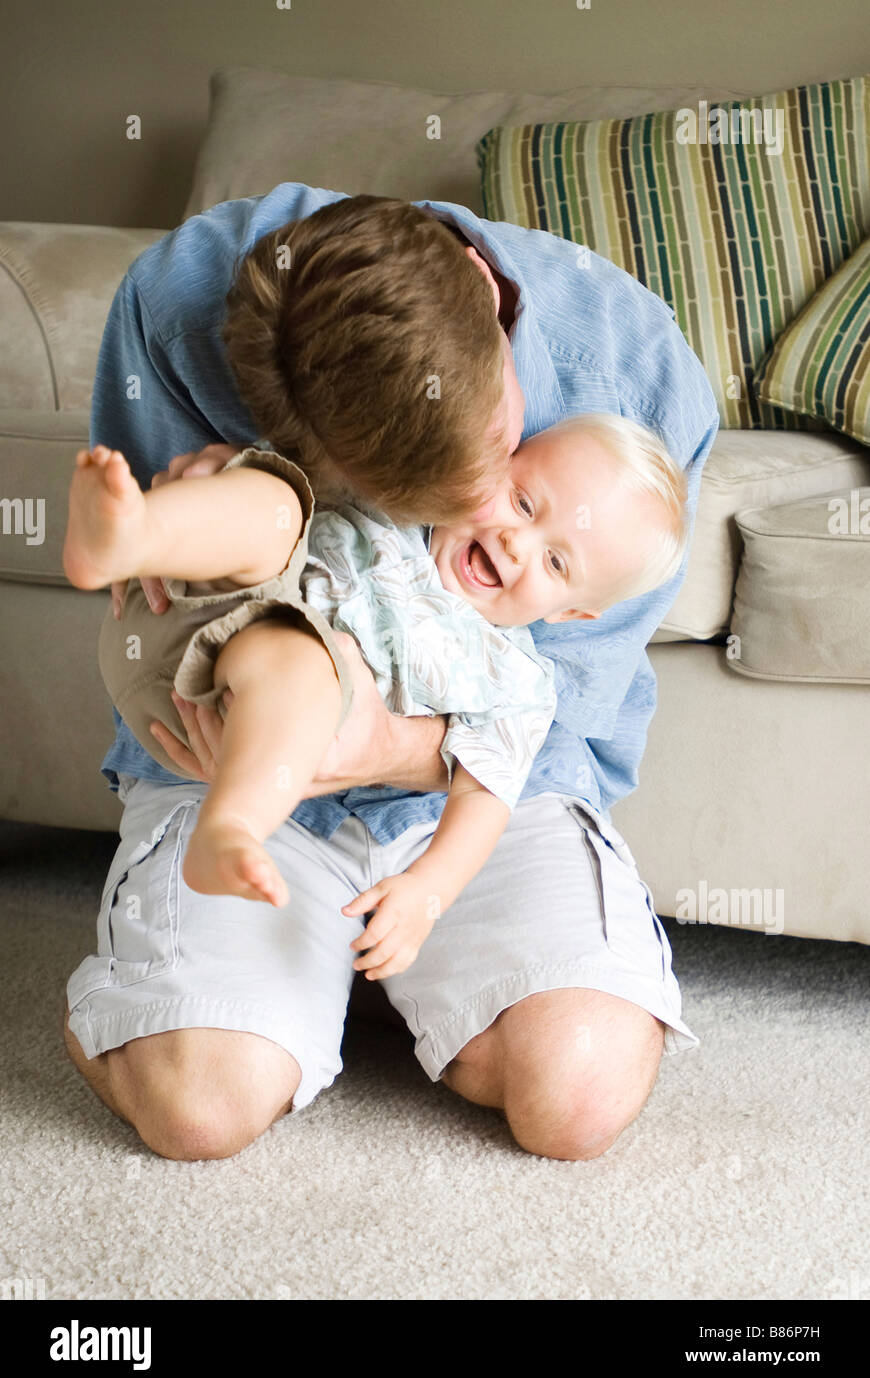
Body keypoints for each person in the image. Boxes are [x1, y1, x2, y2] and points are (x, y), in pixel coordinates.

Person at [64, 187, 720, 1163]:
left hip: (466, 799)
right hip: (249, 725)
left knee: (576, 1097)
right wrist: (199, 503)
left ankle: (364, 973)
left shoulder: (644, 386)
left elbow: (543, 732)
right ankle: (225, 953)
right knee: (197, 1110)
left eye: (496, 463)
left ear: (482, 297)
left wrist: (381, 747)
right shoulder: (175, 309)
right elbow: (167, 623)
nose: (499, 530)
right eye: (519, 497)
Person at [63, 411, 687, 981]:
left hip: (228, 703)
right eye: (522, 501)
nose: (516, 543)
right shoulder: (402, 496)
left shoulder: (513, 683)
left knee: (309, 669)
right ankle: (132, 534)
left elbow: (484, 800)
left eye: (556, 562)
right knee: (281, 498)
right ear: (496, 459)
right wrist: (222, 469)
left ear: (574, 614)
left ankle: (231, 826)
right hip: (178, 599)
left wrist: (427, 892)